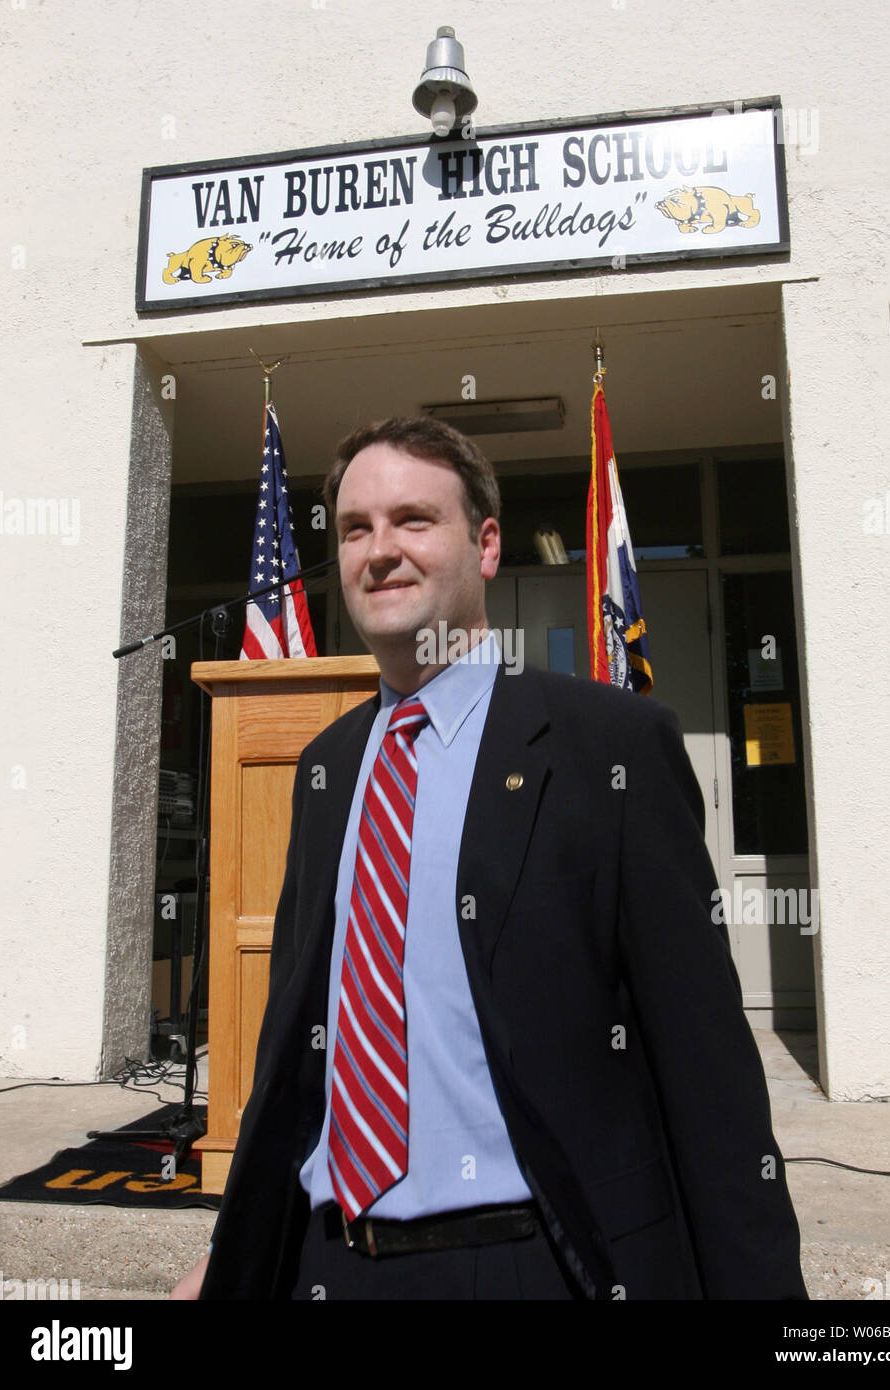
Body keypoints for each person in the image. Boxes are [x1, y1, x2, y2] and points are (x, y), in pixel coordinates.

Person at [172, 416, 807, 1300]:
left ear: (488, 545)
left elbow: (708, 1075)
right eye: (355, 529)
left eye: (413, 520)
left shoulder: (607, 748)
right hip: (329, 1264)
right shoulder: (325, 768)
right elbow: (296, 1049)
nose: (379, 550)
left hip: (525, 1262)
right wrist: (235, 1247)